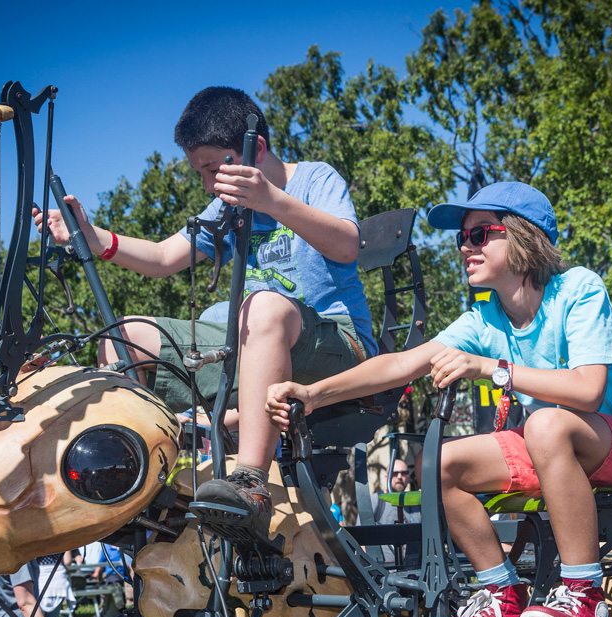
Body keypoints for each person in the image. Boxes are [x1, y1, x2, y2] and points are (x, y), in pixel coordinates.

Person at [268, 182, 612, 617]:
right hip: (561, 447)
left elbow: (588, 391)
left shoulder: (577, 287)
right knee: (440, 462)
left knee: (545, 425)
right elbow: (401, 364)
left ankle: (585, 598)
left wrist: (491, 369)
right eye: (462, 238)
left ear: (522, 236)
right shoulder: (485, 318)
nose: (465, 247)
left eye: (480, 234)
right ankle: (501, 596)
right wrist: (312, 393)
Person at [35, 86, 375, 537]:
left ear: (256, 149)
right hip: (252, 347)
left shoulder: (314, 180)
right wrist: (93, 237)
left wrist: (271, 201)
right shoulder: (225, 207)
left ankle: (250, 482)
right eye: (200, 172)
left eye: (214, 169)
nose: (208, 183)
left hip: (335, 346)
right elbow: (161, 258)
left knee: (262, 307)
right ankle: (137, 482)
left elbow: (347, 244)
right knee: (126, 334)